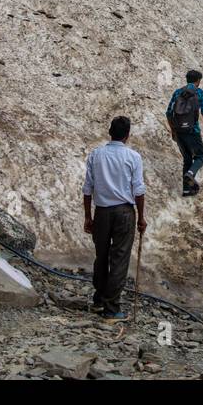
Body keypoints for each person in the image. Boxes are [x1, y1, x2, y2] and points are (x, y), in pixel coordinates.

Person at [82, 116, 147, 322]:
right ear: (127, 135)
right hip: (124, 212)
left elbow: (87, 189)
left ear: (110, 132)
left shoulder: (96, 155)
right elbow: (138, 190)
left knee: (101, 255)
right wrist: (141, 218)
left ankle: (99, 300)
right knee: (119, 258)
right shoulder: (133, 157)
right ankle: (112, 307)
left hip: (102, 212)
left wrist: (88, 216)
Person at [166, 69, 203, 196]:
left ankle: (187, 190)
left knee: (187, 159)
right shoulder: (199, 93)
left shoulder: (177, 93)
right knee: (201, 156)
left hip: (179, 131)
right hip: (193, 130)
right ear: (198, 81)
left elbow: (169, 113)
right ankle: (191, 174)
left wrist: (173, 130)